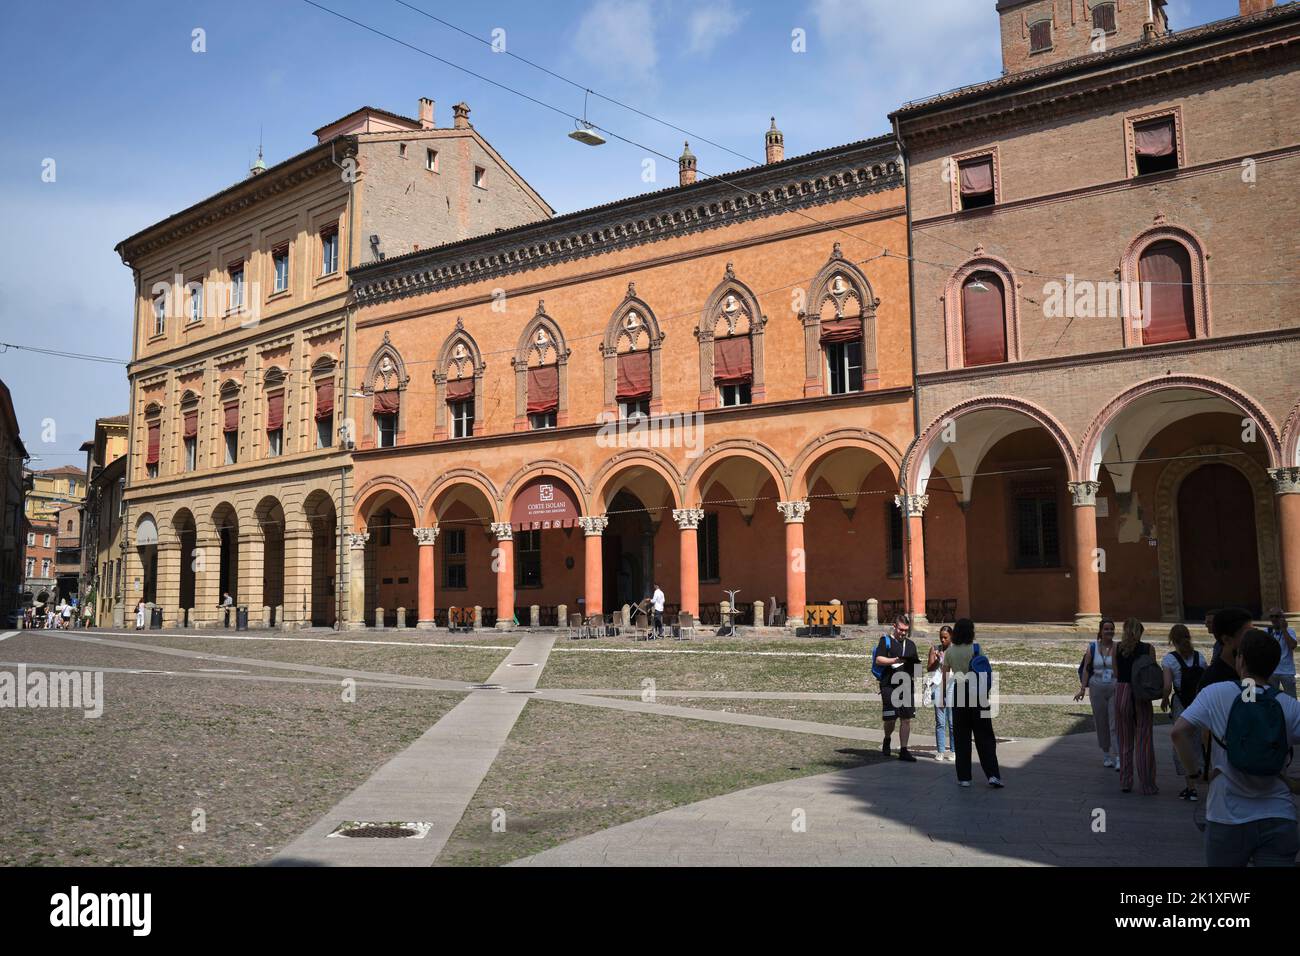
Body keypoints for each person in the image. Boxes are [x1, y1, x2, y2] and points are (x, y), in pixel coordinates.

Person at [1172, 630, 1300, 867]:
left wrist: (1195, 774)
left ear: (1240, 659)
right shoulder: (1290, 705)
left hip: (1227, 814)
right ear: (1273, 665)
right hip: (1278, 813)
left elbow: (1178, 732)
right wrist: (1293, 783)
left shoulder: (1215, 694)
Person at [943, 617, 1002, 788]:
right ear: (971, 632)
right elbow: (984, 670)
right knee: (985, 737)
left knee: (961, 738)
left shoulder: (950, 652)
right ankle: (992, 775)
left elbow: (946, 676)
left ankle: (964, 777)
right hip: (979, 696)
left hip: (959, 694)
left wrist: (944, 697)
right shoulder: (976, 648)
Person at [1160, 624, 1205, 801]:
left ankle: (1191, 787)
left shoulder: (1170, 660)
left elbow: (1167, 686)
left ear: (1172, 639)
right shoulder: (1200, 658)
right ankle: (1203, 773)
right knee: (1198, 740)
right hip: (1199, 703)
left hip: (1180, 703)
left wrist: (1164, 699)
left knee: (1181, 741)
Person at [1114, 617, 1158, 795]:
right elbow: (1153, 673)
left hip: (1122, 692)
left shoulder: (1117, 648)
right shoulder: (1148, 649)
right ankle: (1147, 784)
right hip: (1142, 694)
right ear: (1140, 631)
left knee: (1124, 740)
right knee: (1144, 741)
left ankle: (1126, 782)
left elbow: (1116, 673)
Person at [1074, 617, 1120, 770]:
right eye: (1106, 629)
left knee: (1115, 723)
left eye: (1111, 629)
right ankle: (1106, 754)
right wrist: (1082, 689)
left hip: (1114, 687)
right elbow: (1087, 669)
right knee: (1101, 722)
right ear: (1100, 631)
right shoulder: (1092, 647)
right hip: (1096, 687)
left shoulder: (1118, 647)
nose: (1109, 631)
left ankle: (1118, 756)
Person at [874, 613, 919, 762]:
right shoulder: (885, 641)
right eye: (901, 629)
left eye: (906, 630)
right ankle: (887, 738)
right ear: (894, 626)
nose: (903, 633)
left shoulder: (911, 645)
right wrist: (894, 660)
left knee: (906, 719)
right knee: (890, 719)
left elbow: (917, 669)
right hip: (889, 685)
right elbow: (879, 659)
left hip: (906, 685)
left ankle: (904, 750)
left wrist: (917, 674)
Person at [926, 625, 956, 761]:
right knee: (940, 721)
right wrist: (938, 660)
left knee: (952, 722)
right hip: (938, 686)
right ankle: (940, 750)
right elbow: (929, 668)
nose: (943, 640)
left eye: (945, 637)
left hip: (952, 686)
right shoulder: (935, 649)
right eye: (941, 637)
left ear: (952, 637)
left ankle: (954, 750)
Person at [1265, 607, 1297, 698]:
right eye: (1272, 616)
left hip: (1287, 671)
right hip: (1271, 671)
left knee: (1291, 698)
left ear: (1282, 618)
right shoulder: (1267, 632)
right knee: (1272, 698)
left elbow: (1292, 646)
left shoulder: (1290, 631)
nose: (1274, 619)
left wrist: (1284, 630)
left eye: (1277, 616)